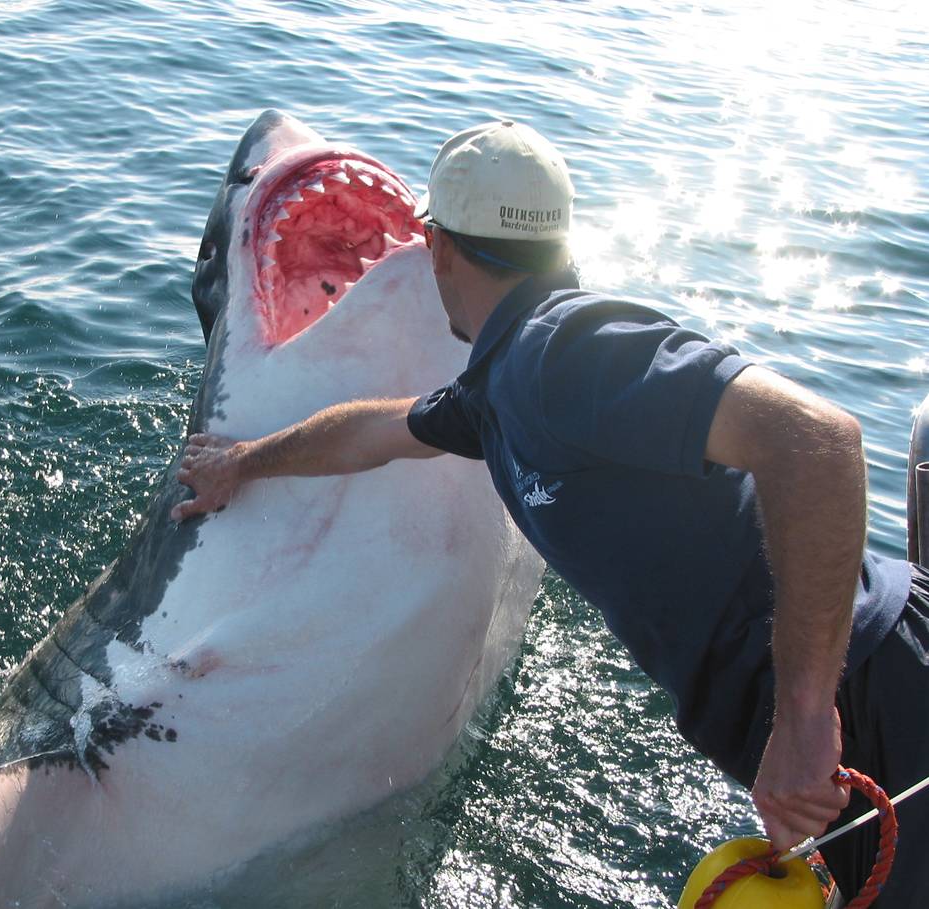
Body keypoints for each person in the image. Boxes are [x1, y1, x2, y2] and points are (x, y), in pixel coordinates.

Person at [170, 120, 928, 903]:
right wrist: (245, 461)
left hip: (877, 690)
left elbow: (819, 441)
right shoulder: (504, 384)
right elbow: (377, 430)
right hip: (836, 709)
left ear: (439, 249)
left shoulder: (562, 350)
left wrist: (804, 718)